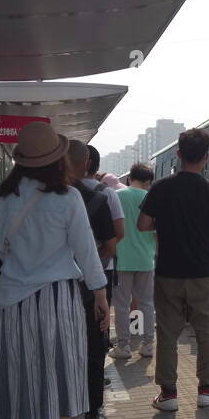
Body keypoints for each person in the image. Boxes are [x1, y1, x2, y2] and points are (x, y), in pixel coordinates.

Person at [0, 122, 109, 419]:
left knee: (3, 398)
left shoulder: (2, 198)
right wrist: (100, 294)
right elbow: (86, 252)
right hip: (56, 303)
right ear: (58, 160)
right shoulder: (68, 198)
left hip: (11, 305)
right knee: (59, 396)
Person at [138, 129, 209, 411]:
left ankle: (168, 395)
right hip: (203, 273)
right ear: (206, 156)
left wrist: (163, 224)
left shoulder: (161, 188)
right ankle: (206, 390)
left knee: (167, 333)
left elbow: (142, 224)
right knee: (206, 332)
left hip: (168, 273)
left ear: (178, 154)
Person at [65, 140, 121, 419]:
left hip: (46, 291)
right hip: (92, 283)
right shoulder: (97, 197)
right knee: (93, 344)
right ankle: (91, 413)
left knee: (57, 348)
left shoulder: (17, 196)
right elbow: (112, 243)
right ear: (87, 163)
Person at [110, 163, 156, 360]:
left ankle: (124, 346)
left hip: (121, 260)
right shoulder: (152, 198)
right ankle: (147, 344)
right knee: (146, 303)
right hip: (146, 259)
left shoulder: (117, 196)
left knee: (121, 304)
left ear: (129, 179)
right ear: (149, 182)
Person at [82, 146, 125, 353]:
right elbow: (119, 233)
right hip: (102, 269)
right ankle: (96, 372)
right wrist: (99, 258)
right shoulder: (108, 193)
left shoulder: (60, 192)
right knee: (98, 319)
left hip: (67, 275)